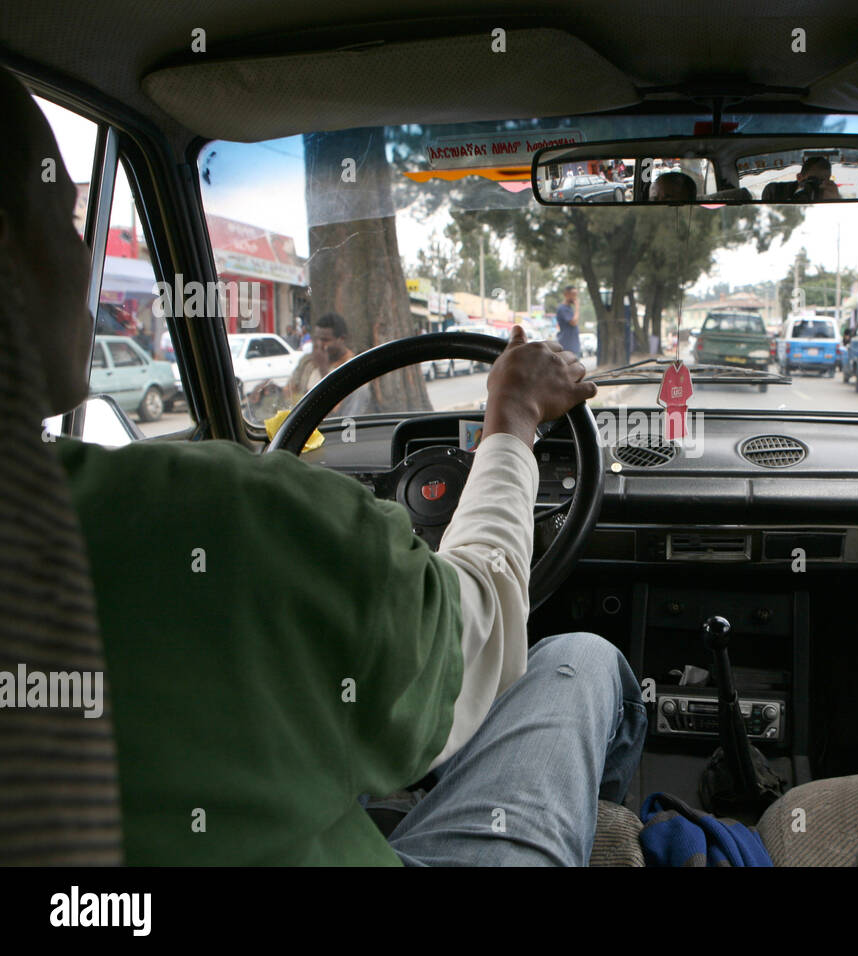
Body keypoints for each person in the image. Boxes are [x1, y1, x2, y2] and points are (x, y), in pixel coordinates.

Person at [0, 67, 646, 866]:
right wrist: (511, 419)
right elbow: (478, 639)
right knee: (581, 658)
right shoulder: (238, 518)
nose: (82, 257)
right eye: (68, 221)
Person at [554, 285, 581, 354]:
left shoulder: (569, 308)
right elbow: (573, 322)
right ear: (566, 294)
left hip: (573, 345)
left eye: (576, 295)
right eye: (573, 294)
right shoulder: (563, 308)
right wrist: (577, 307)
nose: (575, 297)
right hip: (567, 346)